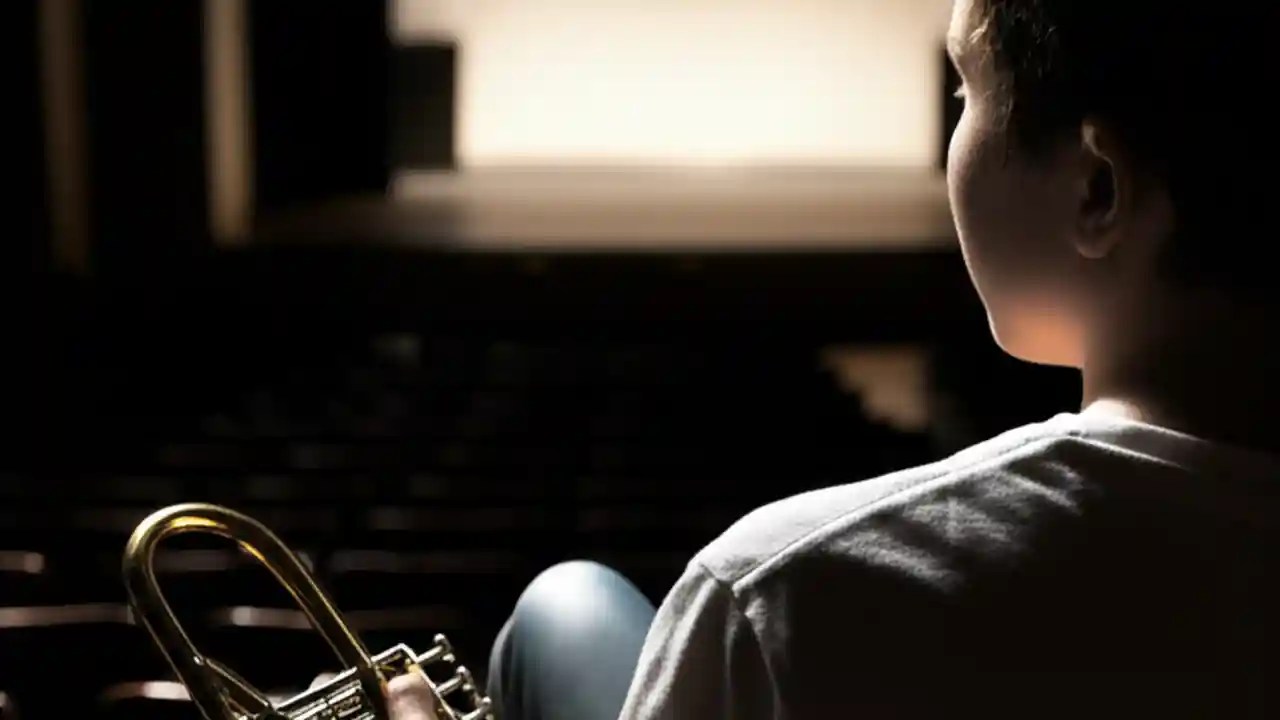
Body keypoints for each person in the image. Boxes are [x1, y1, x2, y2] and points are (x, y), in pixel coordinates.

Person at [396, 0, 1280, 717]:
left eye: (965, 87)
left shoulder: (780, 594)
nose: (956, 127)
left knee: (566, 606)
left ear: (1098, 189)